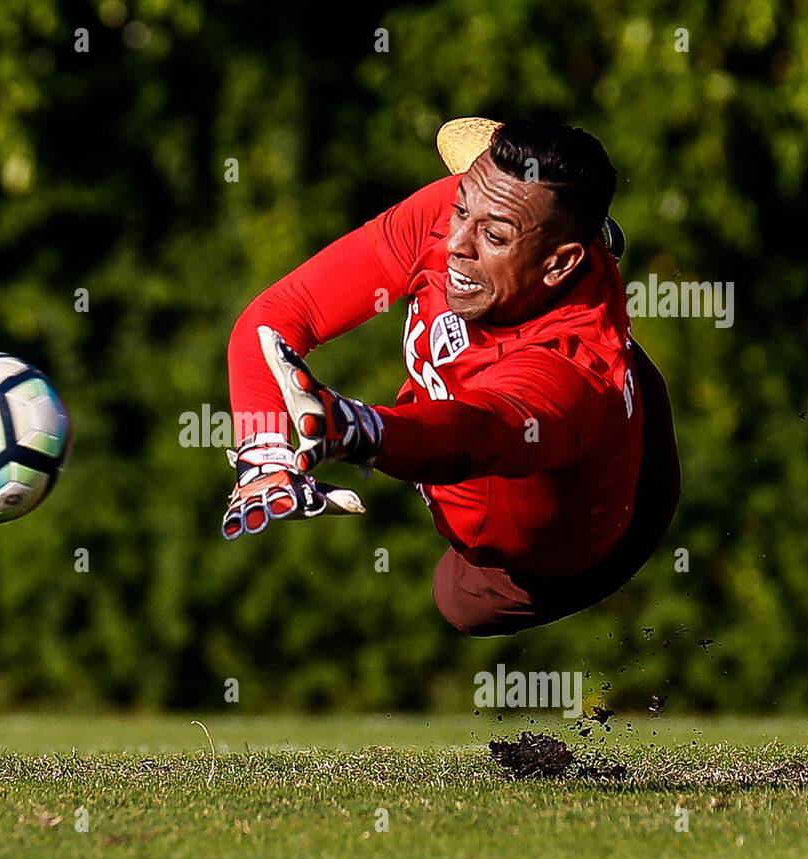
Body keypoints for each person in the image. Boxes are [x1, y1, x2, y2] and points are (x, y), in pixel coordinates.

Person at [221, 118, 680, 636]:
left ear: (560, 263)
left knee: (461, 599)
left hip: (575, 543)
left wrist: (364, 430)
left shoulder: (568, 369)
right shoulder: (463, 209)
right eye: (463, 209)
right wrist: (262, 454)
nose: (455, 242)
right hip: (579, 365)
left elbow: (480, 433)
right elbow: (278, 316)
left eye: (495, 234)